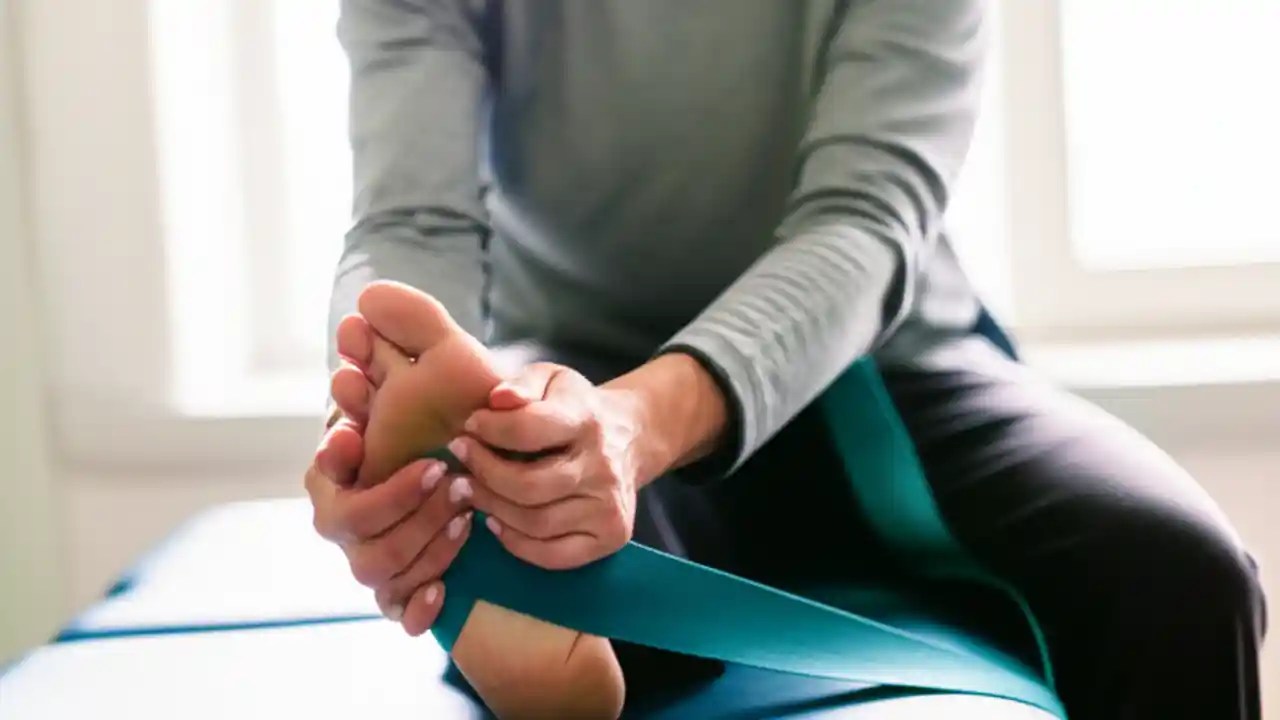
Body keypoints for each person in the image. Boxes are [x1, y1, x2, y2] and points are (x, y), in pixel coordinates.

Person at [303, 1, 1268, 718]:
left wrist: (636, 427)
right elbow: (412, 224)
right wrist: (384, 410)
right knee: (556, 545)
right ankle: (520, 578)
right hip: (573, 377)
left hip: (886, 369)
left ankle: (519, 549)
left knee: (1182, 578)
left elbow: (866, 219)